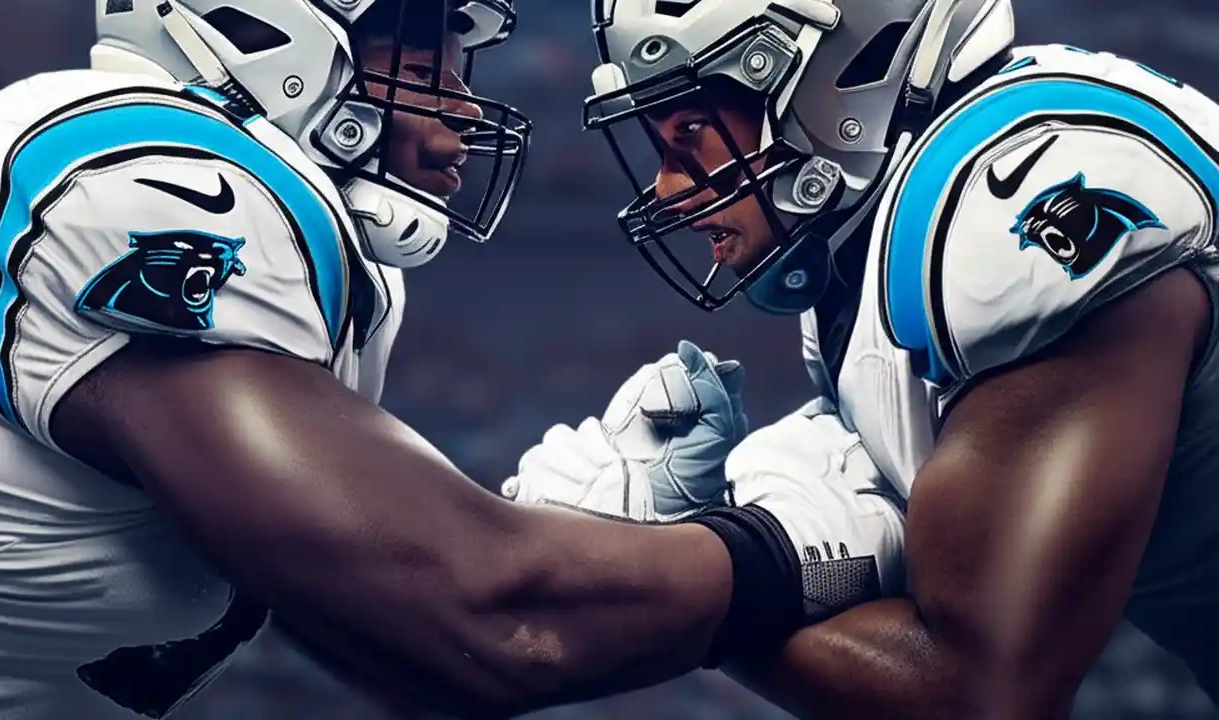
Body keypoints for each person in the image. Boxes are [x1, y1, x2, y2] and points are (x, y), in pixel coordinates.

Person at [0, 0, 898, 717]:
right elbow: (473, 625)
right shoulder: (152, 175)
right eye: (430, 53)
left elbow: (371, 631)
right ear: (275, 31)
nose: (465, 105)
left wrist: (570, 538)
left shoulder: (311, 255)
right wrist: (788, 545)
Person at [507, 0, 1219, 716]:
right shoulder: (894, 230)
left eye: (691, 132)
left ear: (829, 84)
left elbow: (983, 697)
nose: (668, 185)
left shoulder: (1012, 200)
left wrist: (672, 579)